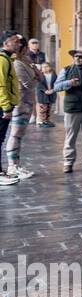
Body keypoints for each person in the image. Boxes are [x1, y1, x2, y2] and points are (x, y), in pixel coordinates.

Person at [3, 37, 37, 180]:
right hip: (20, 103)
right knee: (15, 134)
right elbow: (29, 84)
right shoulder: (17, 64)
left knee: (20, 135)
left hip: (28, 103)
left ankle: (16, 164)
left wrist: (36, 75)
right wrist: (36, 75)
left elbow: (37, 78)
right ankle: (12, 166)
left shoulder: (26, 61)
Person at [0, 31, 20, 187]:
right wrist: (6, 107)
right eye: (14, 41)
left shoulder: (7, 59)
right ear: (5, 43)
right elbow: (1, 86)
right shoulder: (2, 60)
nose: (18, 44)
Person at [35, 62, 57, 127]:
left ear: (50, 67)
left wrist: (53, 89)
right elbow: (39, 84)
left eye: (46, 66)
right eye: (43, 67)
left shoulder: (54, 75)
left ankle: (47, 120)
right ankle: (42, 121)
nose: (45, 68)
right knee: (43, 108)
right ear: (41, 69)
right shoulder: (40, 76)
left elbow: (56, 83)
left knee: (49, 108)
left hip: (51, 93)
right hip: (42, 94)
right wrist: (45, 90)